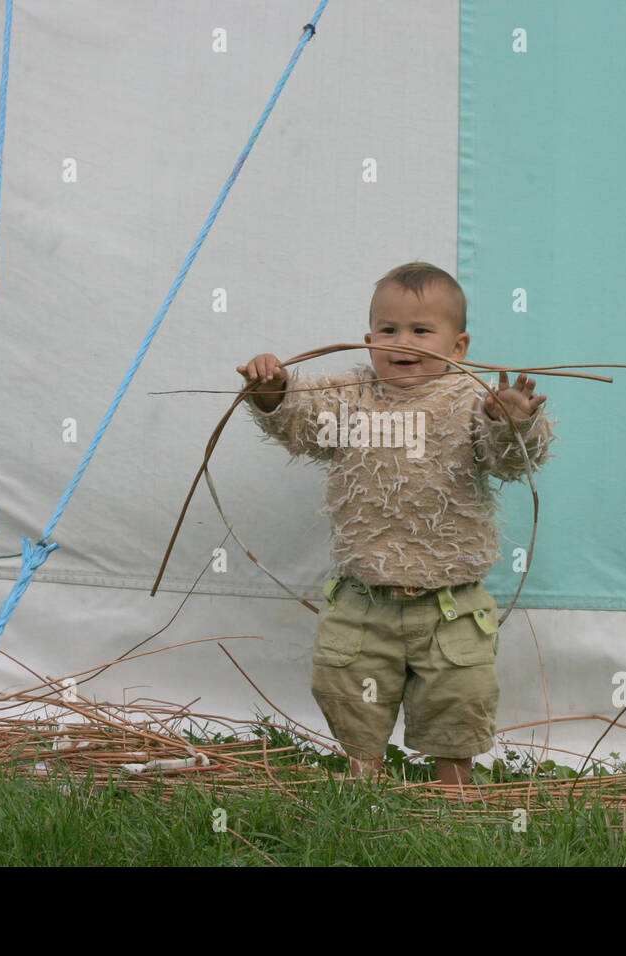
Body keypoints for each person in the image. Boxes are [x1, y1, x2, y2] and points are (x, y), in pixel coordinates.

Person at [236, 262, 554, 785]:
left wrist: (511, 421)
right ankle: (366, 778)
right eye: (388, 330)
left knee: (459, 696)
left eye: (421, 330)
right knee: (348, 689)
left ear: (458, 347)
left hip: (450, 604)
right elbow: (298, 425)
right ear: (367, 340)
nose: (402, 341)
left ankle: (454, 787)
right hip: (364, 601)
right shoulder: (349, 396)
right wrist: (272, 391)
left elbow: (511, 462)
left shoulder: (473, 401)